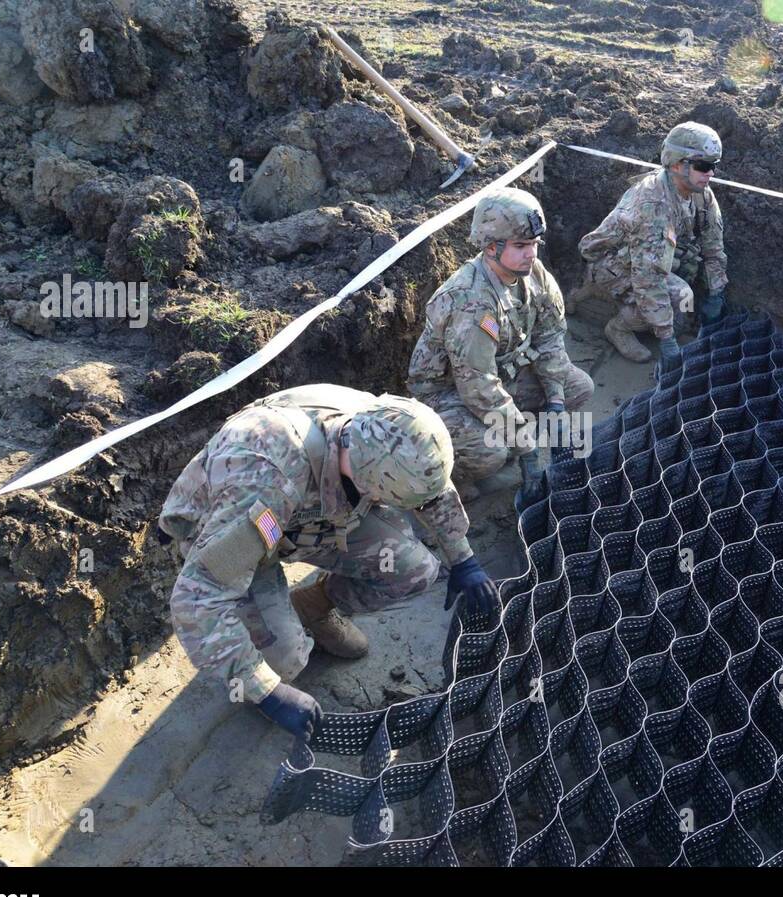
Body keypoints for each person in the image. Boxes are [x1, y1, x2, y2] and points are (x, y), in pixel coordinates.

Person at [157, 384, 499, 738]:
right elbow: (197, 598)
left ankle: (312, 607)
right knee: (286, 662)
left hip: (312, 519)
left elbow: (433, 490)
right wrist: (266, 692)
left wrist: (463, 559)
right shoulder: (266, 476)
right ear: (371, 481)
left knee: (414, 571)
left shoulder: (390, 428)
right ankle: (268, 652)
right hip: (241, 533)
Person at [407, 187, 593, 502]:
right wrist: (526, 447)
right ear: (492, 248)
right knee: (492, 452)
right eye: (521, 246)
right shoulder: (470, 302)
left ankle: (511, 429)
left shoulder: (532, 273)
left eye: (534, 244)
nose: (531, 253)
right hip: (448, 393)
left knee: (578, 387)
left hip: (504, 373)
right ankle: (452, 470)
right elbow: (478, 386)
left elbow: (549, 337)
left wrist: (557, 403)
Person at [573, 121, 729, 363]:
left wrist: (716, 292)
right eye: (703, 166)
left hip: (646, 258)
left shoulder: (701, 193)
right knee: (680, 298)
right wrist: (667, 338)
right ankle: (619, 326)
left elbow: (713, 244)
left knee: (685, 280)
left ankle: (596, 293)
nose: (711, 173)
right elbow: (648, 279)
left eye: (713, 166)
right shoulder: (653, 206)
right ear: (677, 164)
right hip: (610, 261)